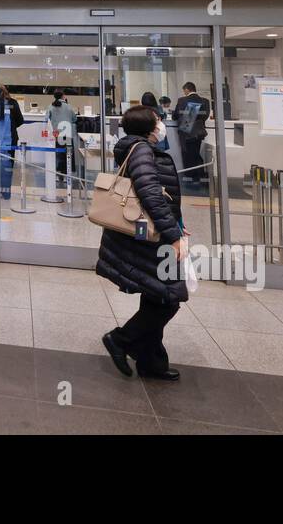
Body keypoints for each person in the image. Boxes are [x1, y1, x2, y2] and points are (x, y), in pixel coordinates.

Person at [96, 105, 188, 382]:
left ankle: (151, 363)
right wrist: (173, 234)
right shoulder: (142, 150)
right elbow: (149, 194)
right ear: (149, 125)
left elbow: (157, 194)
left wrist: (178, 222)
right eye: (158, 120)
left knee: (156, 294)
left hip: (148, 230)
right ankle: (120, 340)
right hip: (151, 235)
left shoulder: (135, 148)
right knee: (168, 298)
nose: (161, 124)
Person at [171, 82, 211, 183]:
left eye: (184, 91)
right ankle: (199, 174)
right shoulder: (204, 101)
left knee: (187, 153)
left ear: (187, 90)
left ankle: (191, 175)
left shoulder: (182, 100)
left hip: (186, 131)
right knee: (195, 152)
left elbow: (175, 116)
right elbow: (205, 116)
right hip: (199, 131)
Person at [48, 90, 77, 183]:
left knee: (57, 154)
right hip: (67, 134)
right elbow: (74, 118)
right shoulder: (68, 107)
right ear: (63, 96)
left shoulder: (51, 106)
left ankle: (57, 174)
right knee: (67, 154)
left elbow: (46, 119)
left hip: (56, 134)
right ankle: (66, 175)